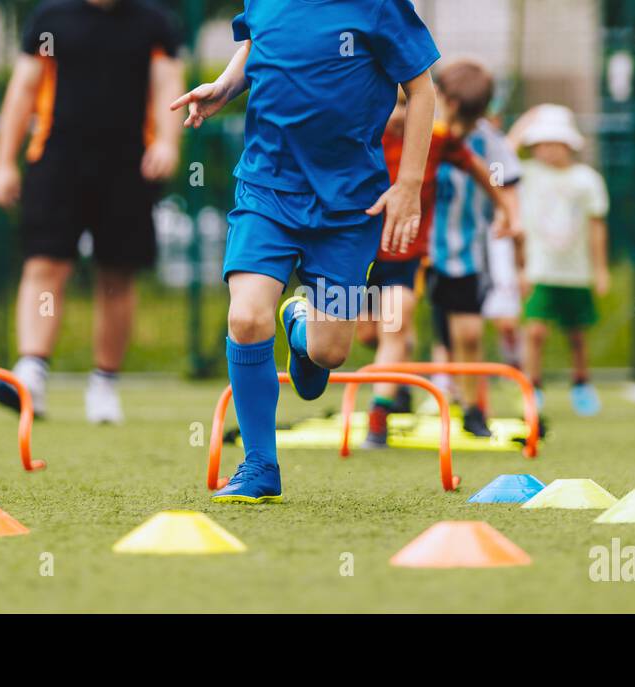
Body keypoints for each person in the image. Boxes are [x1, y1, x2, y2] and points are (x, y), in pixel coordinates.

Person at [171, 0, 441, 503]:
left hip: (350, 208)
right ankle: (259, 465)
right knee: (247, 319)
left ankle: (299, 325)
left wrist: (408, 185)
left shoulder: (378, 7)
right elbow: (256, 44)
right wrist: (225, 87)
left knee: (330, 353)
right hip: (266, 189)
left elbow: (422, 89)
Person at [0, 0, 183, 423]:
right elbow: (23, 88)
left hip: (129, 166)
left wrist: (167, 142)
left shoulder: (155, 24)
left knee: (117, 274)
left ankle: (104, 383)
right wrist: (4, 161)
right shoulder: (50, 20)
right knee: (45, 265)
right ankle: (32, 373)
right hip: (57, 162)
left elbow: (169, 85)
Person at [359, 82, 513, 448]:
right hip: (357, 253)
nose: (398, 115)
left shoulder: (435, 138)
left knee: (393, 325)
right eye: (391, 105)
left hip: (403, 252)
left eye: (405, 104)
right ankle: (399, 365)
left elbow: (477, 168)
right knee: (368, 335)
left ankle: (379, 414)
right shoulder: (362, 133)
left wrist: (503, 208)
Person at [424, 58, 522, 439]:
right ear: (442, 99)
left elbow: (507, 184)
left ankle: (473, 407)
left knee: (467, 333)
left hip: (465, 253)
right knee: (392, 326)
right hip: (417, 248)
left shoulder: (488, 142)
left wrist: (507, 216)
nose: (461, 128)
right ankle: (396, 393)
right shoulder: (425, 131)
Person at [509, 104, 608, 417]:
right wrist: (525, 121)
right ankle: (532, 388)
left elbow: (596, 227)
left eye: (552, 143)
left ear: (568, 144)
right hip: (540, 269)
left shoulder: (587, 180)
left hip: (577, 272)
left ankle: (581, 383)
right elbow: (502, 157)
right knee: (535, 331)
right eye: (540, 144)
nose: (546, 151)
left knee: (576, 333)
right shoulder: (528, 175)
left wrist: (600, 269)